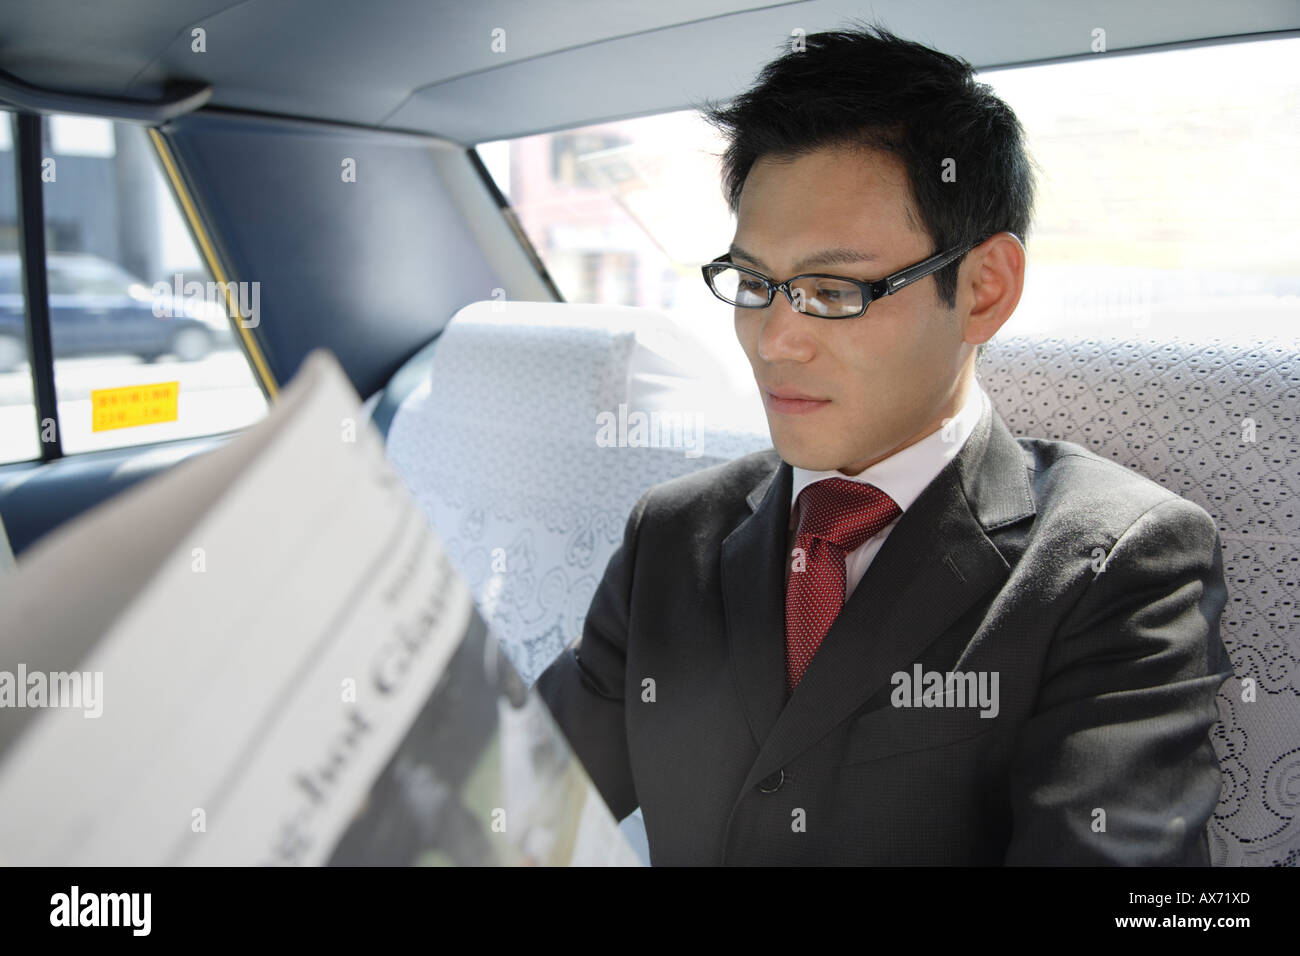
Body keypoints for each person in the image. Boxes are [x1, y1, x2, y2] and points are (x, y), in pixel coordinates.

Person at [536, 23, 1232, 865]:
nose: (773, 340)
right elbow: (502, 805)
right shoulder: (673, 533)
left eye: (833, 289)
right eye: (755, 284)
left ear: (983, 290)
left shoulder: (1115, 563)